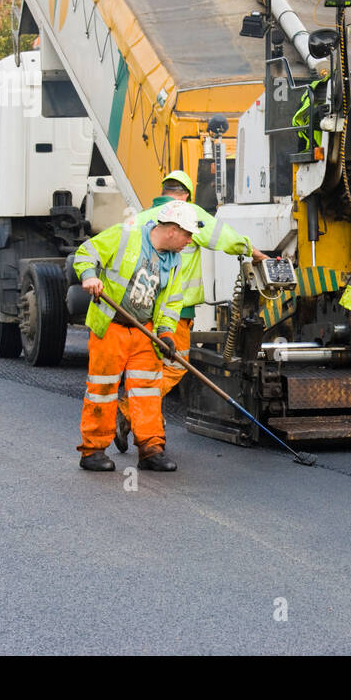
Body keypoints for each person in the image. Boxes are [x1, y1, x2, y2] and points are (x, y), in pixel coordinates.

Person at [114, 170, 267, 452]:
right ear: (186, 195)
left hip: (139, 308)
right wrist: (256, 254)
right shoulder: (187, 212)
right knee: (174, 367)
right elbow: (224, 238)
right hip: (176, 311)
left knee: (148, 367)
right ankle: (129, 412)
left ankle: (145, 431)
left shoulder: (144, 217)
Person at [73, 200, 202, 473]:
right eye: (187, 235)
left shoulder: (175, 261)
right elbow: (86, 252)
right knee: (103, 390)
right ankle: (93, 450)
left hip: (145, 331)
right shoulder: (126, 235)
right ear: (172, 230)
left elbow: (171, 303)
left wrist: (166, 334)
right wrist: (89, 276)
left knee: (147, 391)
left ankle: (151, 449)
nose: (189, 242)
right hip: (112, 326)